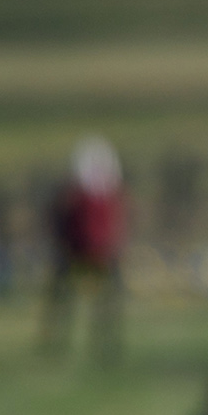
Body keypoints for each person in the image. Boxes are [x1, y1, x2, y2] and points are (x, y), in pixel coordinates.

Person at [39, 136, 127, 362]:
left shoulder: (80, 197)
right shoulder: (87, 197)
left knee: (101, 301)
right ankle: (60, 341)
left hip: (90, 251)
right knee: (68, 298)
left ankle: (102, 343)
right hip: (83, 251)